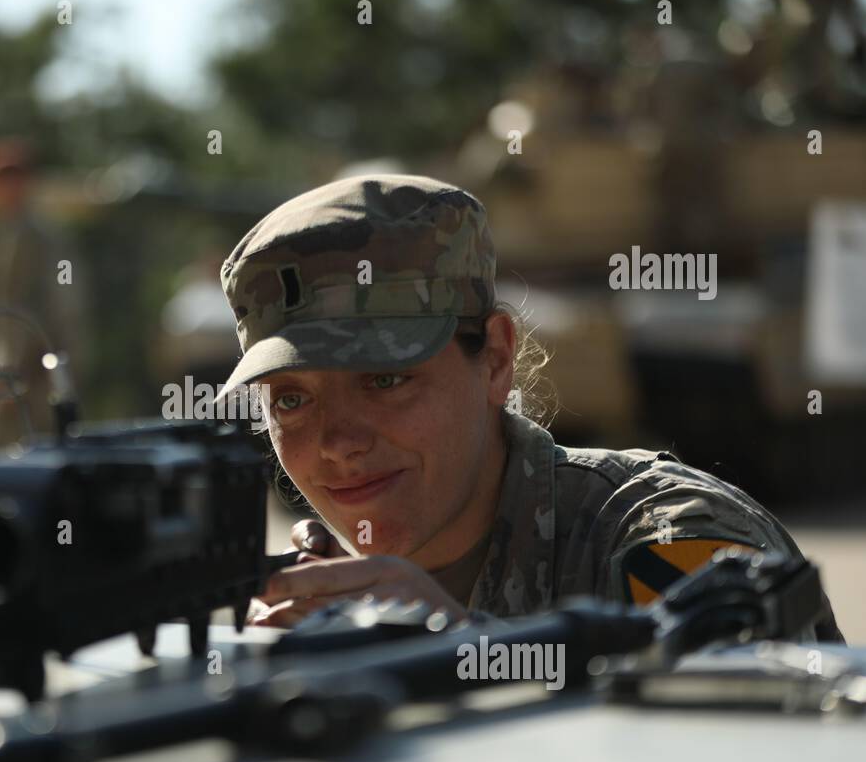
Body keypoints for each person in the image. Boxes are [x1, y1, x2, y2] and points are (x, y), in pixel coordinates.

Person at [215, 174, 844, 641]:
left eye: (384, 381)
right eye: (291, 399)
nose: (338, 442)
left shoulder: (673, 537)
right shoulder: (318, 598)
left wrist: (458, 652)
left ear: (494, 358)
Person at [0, 138, 87, 450]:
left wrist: (11, 370)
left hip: (29, 368)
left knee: (15, 453)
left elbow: (33, 307)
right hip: (24, 364)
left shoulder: (31, 234)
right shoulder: (12, 229)